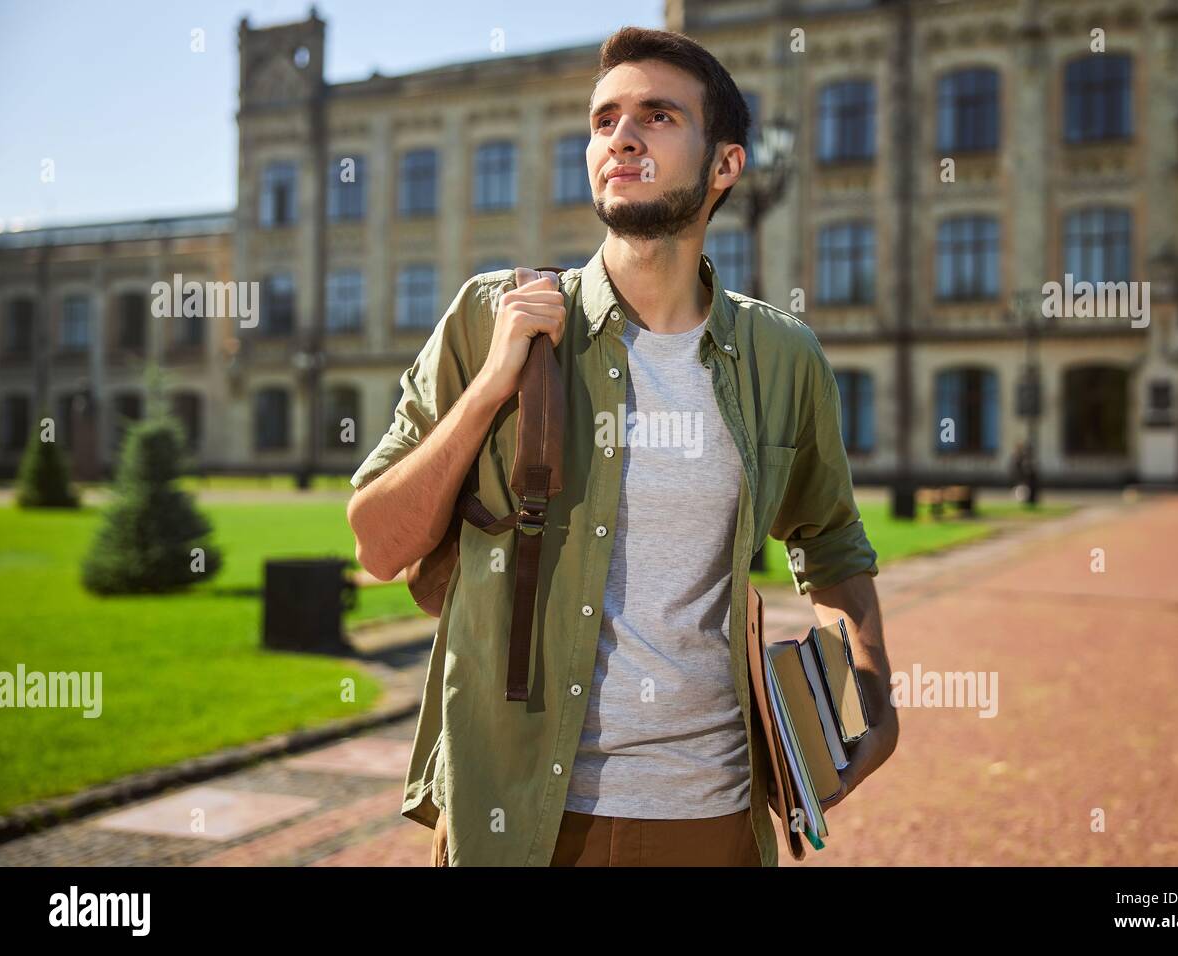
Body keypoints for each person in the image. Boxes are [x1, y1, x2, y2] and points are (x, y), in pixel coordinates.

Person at [346, 26, 897, 867]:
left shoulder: (784, 357)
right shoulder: (489, 317)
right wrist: (493, 384)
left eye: (659, 116)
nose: (622, 137)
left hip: (711, 817)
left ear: (725, 167)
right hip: (518, 814)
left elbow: (830, 541)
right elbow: (378, 544)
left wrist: (872, 698)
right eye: (604, 121)